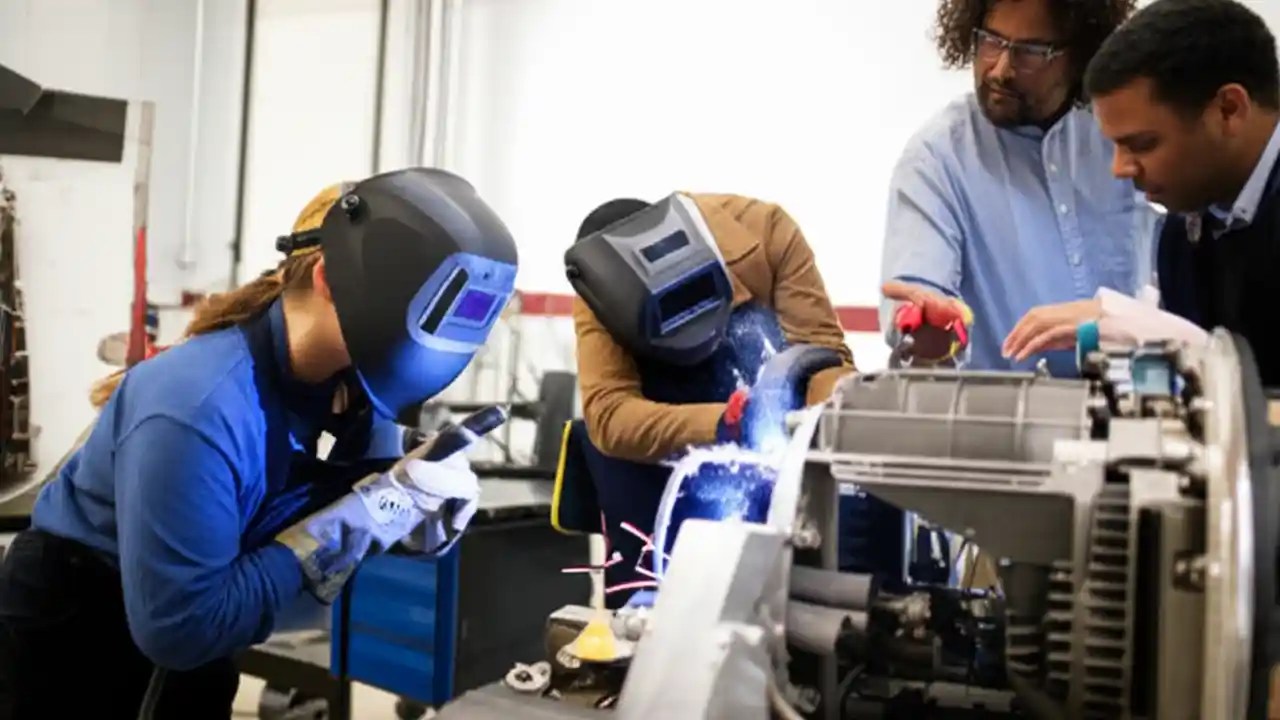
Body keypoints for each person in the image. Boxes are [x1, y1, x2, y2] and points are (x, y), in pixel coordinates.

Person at [0, 169, 519, 718]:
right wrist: (380, 509)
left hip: (203, 628)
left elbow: (354, 505)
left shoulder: (358, 379)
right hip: (79, 631)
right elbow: (181, 627)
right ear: (329, 279)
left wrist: (418, 510)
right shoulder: (198, 403)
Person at [562, 192, 854, 603]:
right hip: (653, 454)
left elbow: (824, 359)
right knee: (651, 615)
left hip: (771, 451)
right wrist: (725, 422)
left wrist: (836, 408)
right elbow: (610, 415)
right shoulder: (598, 287)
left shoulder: (766, 234)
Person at [1001, 0, 1280, 385]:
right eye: (1115, 146)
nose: (1120, 169)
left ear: (1229, 110)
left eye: (1143, 144)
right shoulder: (1182, 240)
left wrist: (1198, 351)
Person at [879, 0, 1161, 376]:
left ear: (1079, 55)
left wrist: (1115, 318)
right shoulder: (937, 158)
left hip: (1139, 413)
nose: (1000, 69)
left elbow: (1180, 296)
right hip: (1003, 423)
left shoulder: (1124, 138)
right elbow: (919, 301)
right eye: (991, 41)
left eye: (1030, 52)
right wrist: (929, 330)